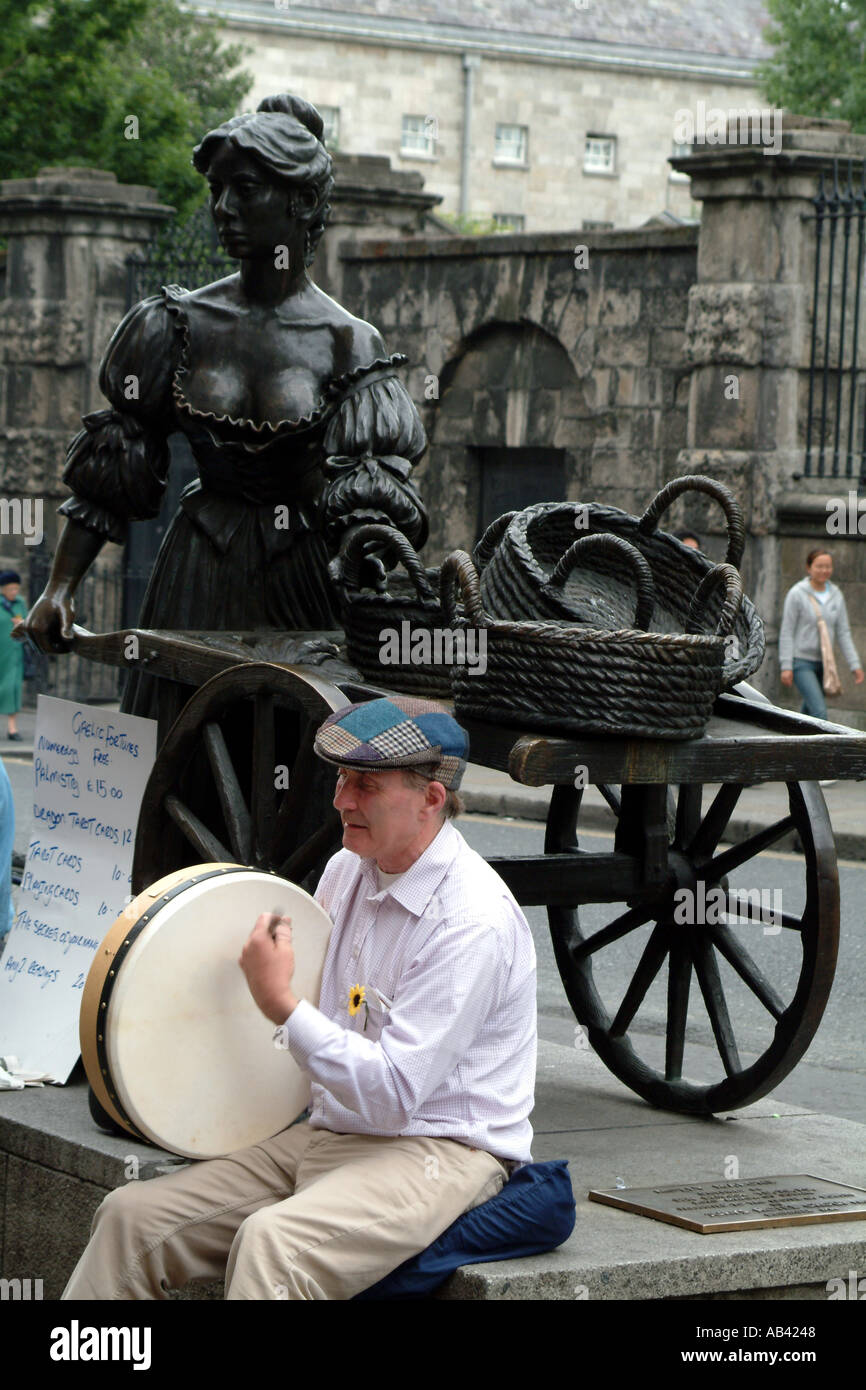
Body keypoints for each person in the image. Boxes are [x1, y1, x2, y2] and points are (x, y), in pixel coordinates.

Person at [61, 696, 538, 1301]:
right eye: (341, 778)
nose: (341, 800)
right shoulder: (346, 869)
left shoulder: (472, 920)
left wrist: (281, 1003)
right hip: (327, 1131)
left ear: (431, 799)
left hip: (439, 1151)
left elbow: (393, 1097)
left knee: (272, 1243)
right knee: (129, 1217)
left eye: (365, 783)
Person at [25, 93, 428, 734]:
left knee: (301, 762)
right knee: (181, 749)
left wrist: (369, 573)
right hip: (196, 571)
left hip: (300, 579)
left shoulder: (349, 343)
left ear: (300, 202)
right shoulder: (175, 324)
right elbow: (112, 470)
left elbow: (370, 503)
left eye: (245, 189)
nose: (223, 209)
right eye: (217, 190)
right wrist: (60, 589)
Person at [779, 547, 864, 721]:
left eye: (828, 566)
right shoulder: (797, 593)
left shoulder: (836, 595)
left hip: (825, 664)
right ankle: (820, 747)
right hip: (801, 662)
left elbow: (843, 632)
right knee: (819, 712)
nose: (824, 570)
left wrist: (855, 665)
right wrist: (786, 665)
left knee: (808, 713)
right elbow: (787, 630)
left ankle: (795, 742)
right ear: (809, 568)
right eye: (819, 566)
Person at [0, 570, 26, 741]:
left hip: (15, 654)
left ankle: (12, 728)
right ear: (2, 589)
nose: (14, 592)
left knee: (13, 688)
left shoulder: (20, 603)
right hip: (1, 652)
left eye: (16, 588)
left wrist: (22, 624)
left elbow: (30, 623)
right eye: (10, 589)